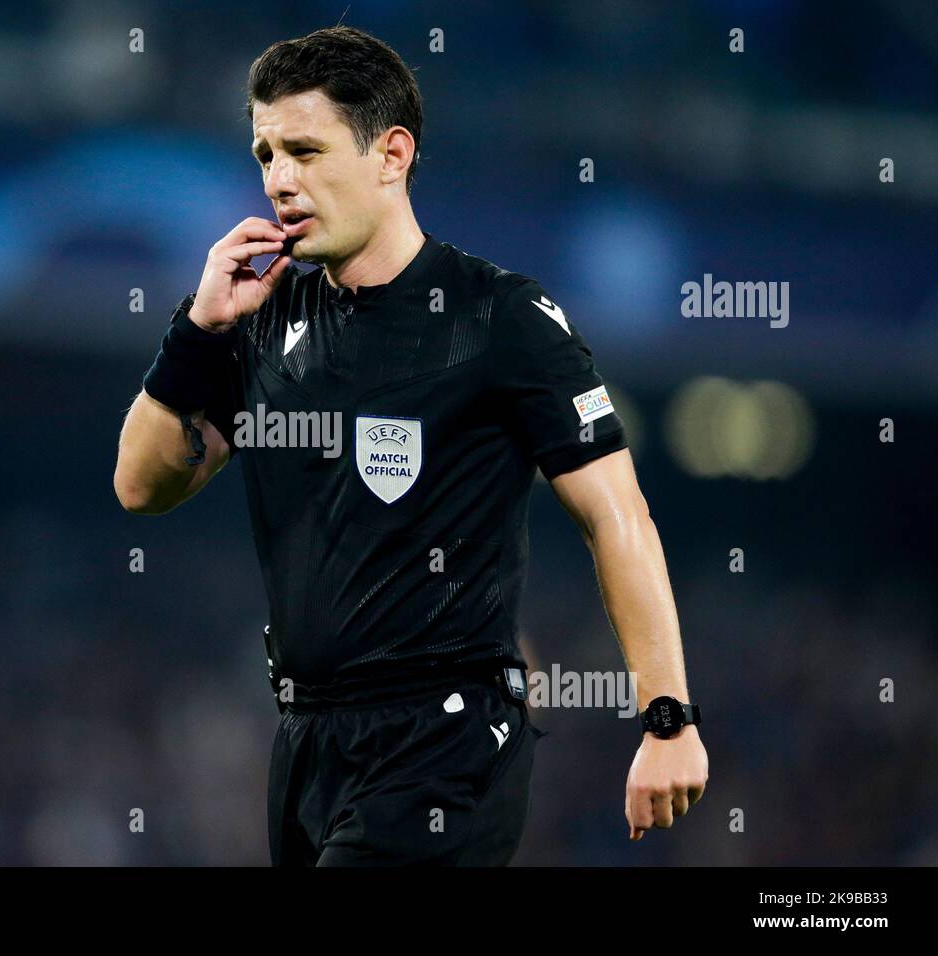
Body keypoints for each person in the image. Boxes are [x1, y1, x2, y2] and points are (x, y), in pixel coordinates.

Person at [114, 25, 707, 865]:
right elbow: (141, 485)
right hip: (307, 744)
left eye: (305, 151)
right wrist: (196, 331)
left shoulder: (497, 317)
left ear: (391, 154)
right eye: (265, 153)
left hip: (445, 740)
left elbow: (618, 518)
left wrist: (667, 717)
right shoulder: (264, 320)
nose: (279, 180)